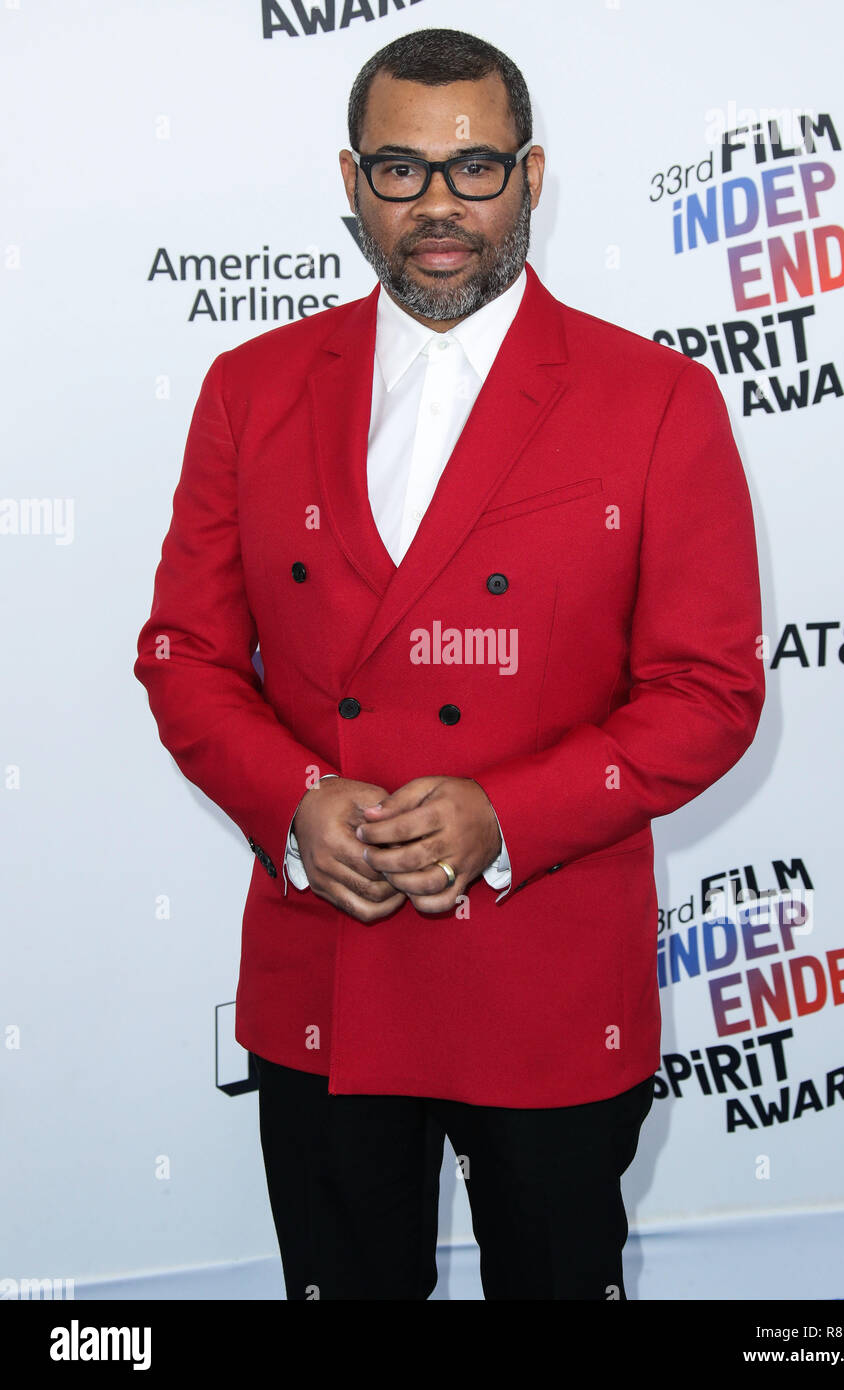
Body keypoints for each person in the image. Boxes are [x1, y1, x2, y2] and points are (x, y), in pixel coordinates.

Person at [134, 26, 765, 1300]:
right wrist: (297, 808)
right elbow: (186, 653)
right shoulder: (248, 388)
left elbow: (708, 691)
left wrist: (504, 813)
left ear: (532, 177)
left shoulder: (654, 399)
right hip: (328, 950)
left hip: (542, 961)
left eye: (474, 169)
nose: (437, 204)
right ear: (351, 182)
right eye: (400, 168)